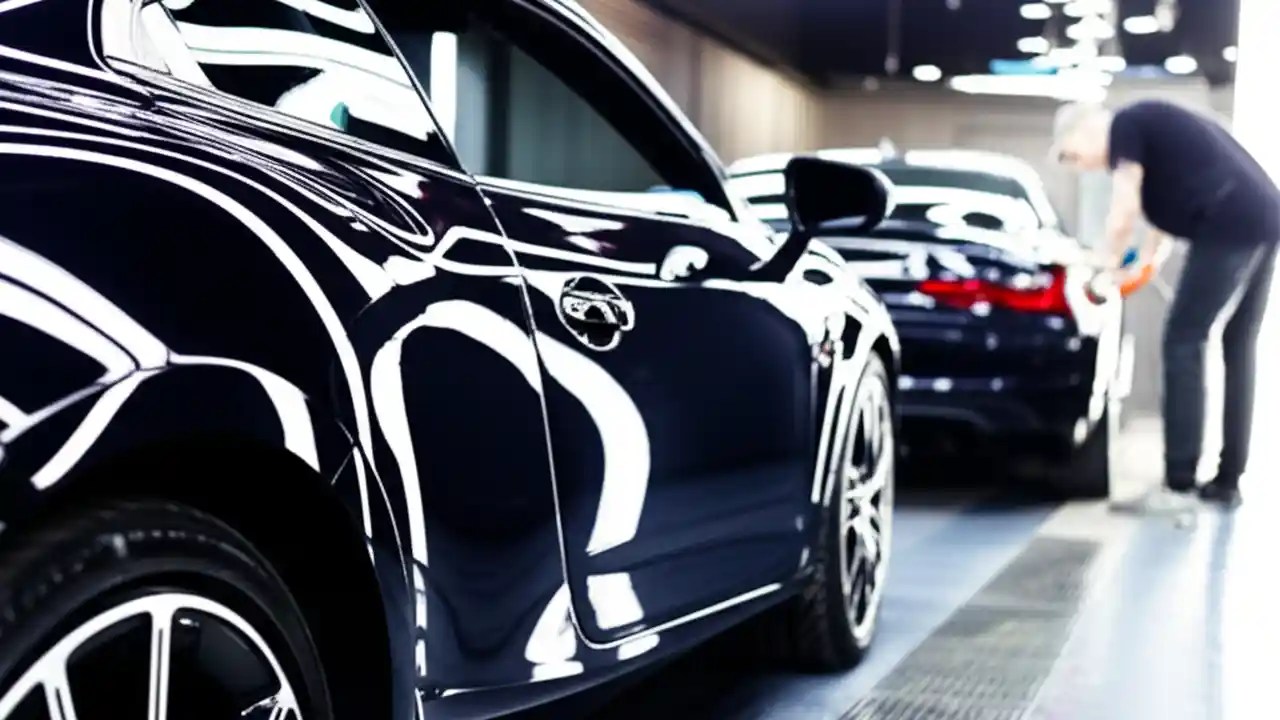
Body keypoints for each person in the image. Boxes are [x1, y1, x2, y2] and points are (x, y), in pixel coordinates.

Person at [1052, 100, 1280, 512]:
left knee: (1182, 339)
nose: (1082, 166)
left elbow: (1123, 212)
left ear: (1081, 130)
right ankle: (1228, 481)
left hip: (1231, 218)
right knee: (1237, 342)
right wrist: (1136, 266)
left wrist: (1100, 267)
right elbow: (1156, 231)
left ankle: (1179, 484)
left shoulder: (1124, 125)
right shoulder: (1148, 136)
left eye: (1072, 156)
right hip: (1263, 214)